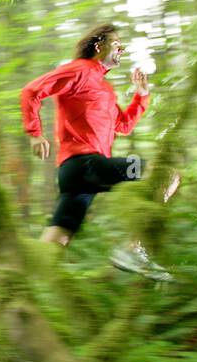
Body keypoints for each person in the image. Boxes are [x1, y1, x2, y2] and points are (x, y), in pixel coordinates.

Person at [20, 23, 179, 280]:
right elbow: (31, 91)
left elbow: (123, 125)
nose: (122, 49)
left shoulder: (105, 88)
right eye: (117, 44)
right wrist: (34, 133)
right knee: (163, 174)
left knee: (52, 246)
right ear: (98, 45)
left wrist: (142, 95)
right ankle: (133, 249)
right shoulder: (79, 71)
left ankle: (0, 289)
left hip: (81, 178)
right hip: (84, 165)